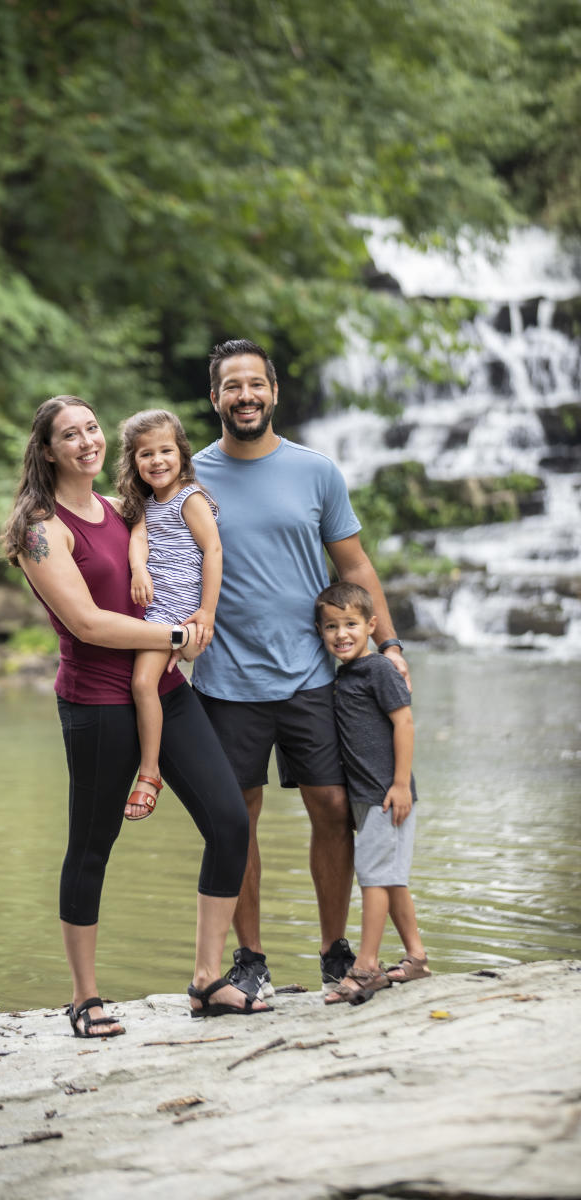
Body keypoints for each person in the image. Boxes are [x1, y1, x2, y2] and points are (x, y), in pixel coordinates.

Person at [0, 395, 271, 1037]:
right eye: (70, 434)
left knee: (230, 822)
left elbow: (191, 540)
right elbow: (88, 623)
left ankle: (208, 980)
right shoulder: (41, 527)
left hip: (167, 692)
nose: (87, 440)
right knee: (93, 847)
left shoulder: (126, 508)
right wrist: (176, 639)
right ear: (47, 450)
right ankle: (85, 998)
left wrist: (198, 619)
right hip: (97, 704)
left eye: (92, 428)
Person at [191, 338, 411, 997]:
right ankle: (250, 954)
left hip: (315, 674)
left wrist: (391, 644)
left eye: (255, 384)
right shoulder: (190, 476)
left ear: (275, 392)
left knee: (334, 805)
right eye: (232, 386)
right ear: (215, 398)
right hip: (226, 679)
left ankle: (333, 948)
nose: (245, 396)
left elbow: (354, 565)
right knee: (239, 816)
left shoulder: (316, 471)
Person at [315, 581, 430, 1005]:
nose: (341, 634)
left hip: (387, 794)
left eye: (350, 624)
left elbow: (404, 723)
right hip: (367, 796)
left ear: (371, 625)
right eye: (331, 626)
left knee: (375, 877)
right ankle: (416, 957)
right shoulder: (344, 674)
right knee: (391, 877)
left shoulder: (381, 669)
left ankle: (366, 968)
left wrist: (400, 784)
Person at [117, 409, 222, 821]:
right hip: (152, 608)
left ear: (182, 453)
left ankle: (150, 772)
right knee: (150, 679)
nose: (157, 461)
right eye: (146, 454)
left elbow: (213, 551)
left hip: (174, 610)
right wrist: (140, 568)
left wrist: (207, 613)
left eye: (165, 451)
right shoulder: (144, 502)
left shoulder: (189, 498)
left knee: (143, 683)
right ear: (134, 461)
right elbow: (139, 537)